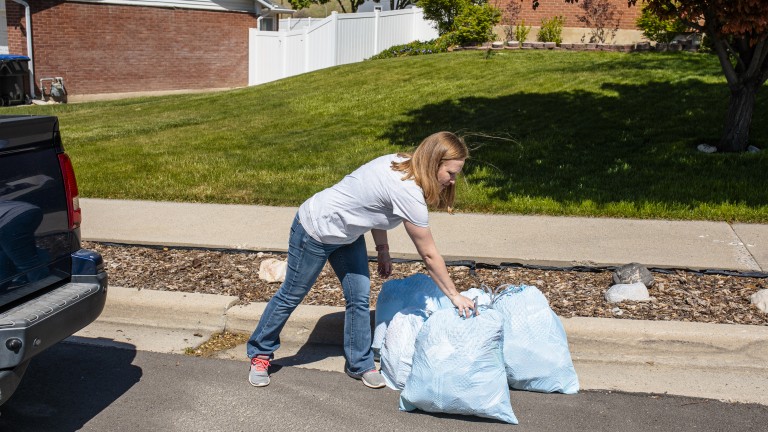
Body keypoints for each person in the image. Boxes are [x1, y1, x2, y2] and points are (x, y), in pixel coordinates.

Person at [246, 131, 476, 389]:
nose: (453, 181)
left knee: (359, 296)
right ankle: (260, 353)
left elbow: (377, 209)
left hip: (348, 234)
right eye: (451, 173)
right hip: (315, 229)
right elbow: (429, 254)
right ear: (434, 163)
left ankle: (360, 363)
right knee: (292, 293)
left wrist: (383, 248)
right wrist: (454, 296)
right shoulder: (408, 191)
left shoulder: (402, 162)